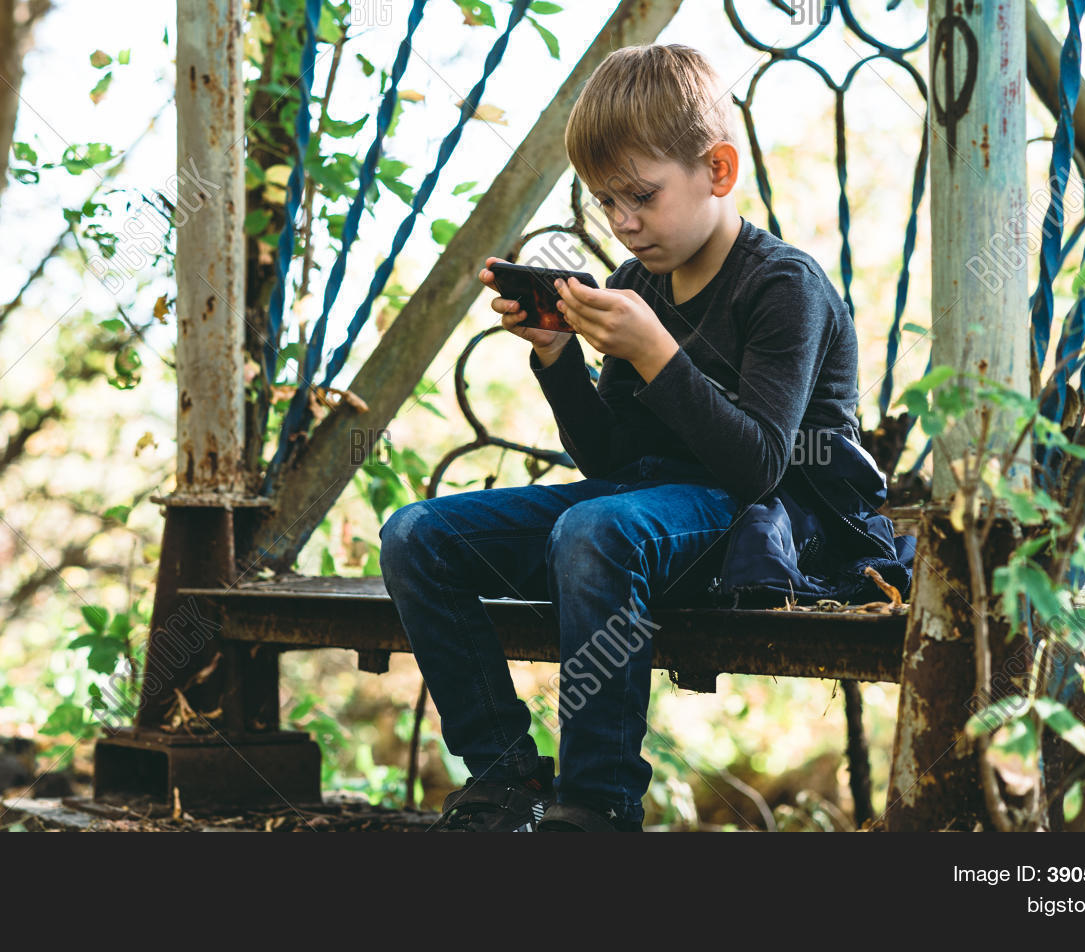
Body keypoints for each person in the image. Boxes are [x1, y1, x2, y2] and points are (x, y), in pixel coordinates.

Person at [379, 43, 913, 832]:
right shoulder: (635, 286)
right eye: (606, 203)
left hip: (768, 525)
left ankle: (597, 804)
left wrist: (655, 351)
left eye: (641, 196)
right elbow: (611, 462)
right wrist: (559, 357)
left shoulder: (782, 287)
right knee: (417, 534)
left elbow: (760, 465)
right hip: (644, 512)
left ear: (718, 172)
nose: (624, 222)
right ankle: (504, 778)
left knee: (595, 528)